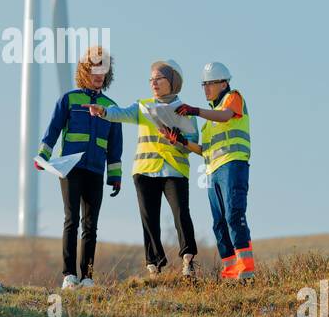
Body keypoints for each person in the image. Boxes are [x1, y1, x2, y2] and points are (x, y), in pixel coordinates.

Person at [88, 59, 200, 277]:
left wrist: (178, 140)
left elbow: (193, 144)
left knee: (181, 215)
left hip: (174, 170)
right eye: (151, 79)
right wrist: (103, 111)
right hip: (144, 170)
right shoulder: (143, 106)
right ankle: (153, 265)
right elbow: (119, 113)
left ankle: (188, 261)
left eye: (159, 78)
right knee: (149, 219)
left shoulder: (185, 110)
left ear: (173, 81)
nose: (153, 83)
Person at [36, 46, 123, 289]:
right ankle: (68, 275)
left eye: (103, 71)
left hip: (96, 170)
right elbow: (53, 130)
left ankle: (87, 277)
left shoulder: (111, 107)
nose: (98, 75)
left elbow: (115, 147)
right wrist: (43, 156)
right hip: (70, 168)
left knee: (91, 225)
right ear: (85, 71)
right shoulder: (68, 99)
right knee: (71, 219)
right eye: (94, 70)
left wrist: (115, 176)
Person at [174, 62, 254, 280]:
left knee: (233, 215)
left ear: (224, 83)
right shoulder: (209, 120)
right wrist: (181, 142)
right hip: (213, 170)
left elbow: (226, 115)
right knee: (219, 223)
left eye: (210, 83)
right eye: (204, 84)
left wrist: (195, 111)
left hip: (233, 164)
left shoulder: (233, 97)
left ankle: (246, 271)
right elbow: (204, 150)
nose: (206, 88)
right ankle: (230, 271)